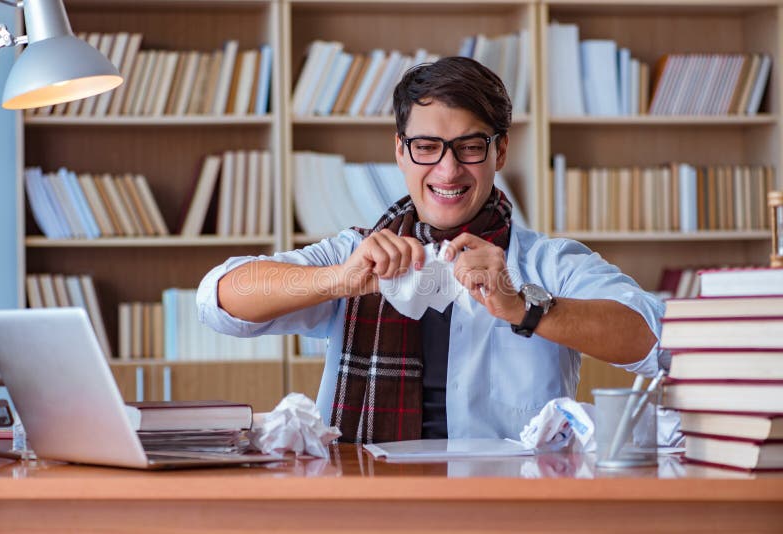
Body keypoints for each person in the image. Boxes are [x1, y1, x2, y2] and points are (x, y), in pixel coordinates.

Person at [197, 57, 665, 444]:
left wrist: (522, 305)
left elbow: (657, 343)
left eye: (469, 147)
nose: (447, 170)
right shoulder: (358, 253)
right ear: (400, 152)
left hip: (513, 505)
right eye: (427, 147)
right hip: (365, 497)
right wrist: (336, 280)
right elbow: (217, 298)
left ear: (500, 152)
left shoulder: (549, 263)